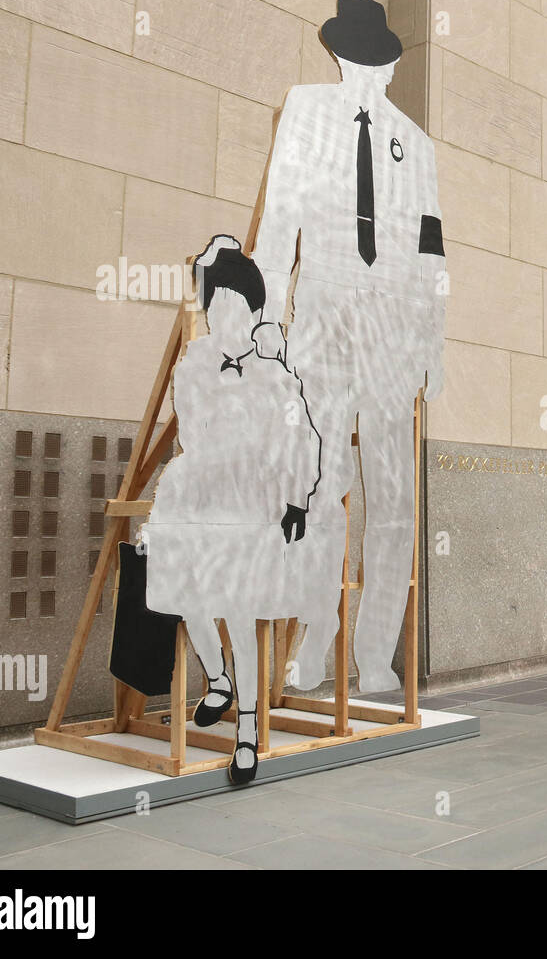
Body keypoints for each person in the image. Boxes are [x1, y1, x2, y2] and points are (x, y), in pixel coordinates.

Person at [250, 0, 447, 693]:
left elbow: (432, 249)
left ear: (393, 67)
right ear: (338, 57)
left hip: (392, 331)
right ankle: (314, 635)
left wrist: (434, 340)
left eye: (379, 61)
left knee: (392, 501)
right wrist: (265, 321)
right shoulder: (306, 110)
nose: (369, 70)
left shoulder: (416, 145)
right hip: (325, 317)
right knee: (317, 483)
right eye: (357, 59)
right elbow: (279, 217)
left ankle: (374, 655)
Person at [142, 236, 322, 783]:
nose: (226, 318)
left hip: (251, 506)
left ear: (252, 313)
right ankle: (216, 677)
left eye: (236, 307)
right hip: (200, 496)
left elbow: (303, 441)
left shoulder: (276, 378)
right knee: (189, 599)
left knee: (241, 615)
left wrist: (296, 497)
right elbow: (195, 435)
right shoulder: (192, 368)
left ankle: (247, 730)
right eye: (216, 306)